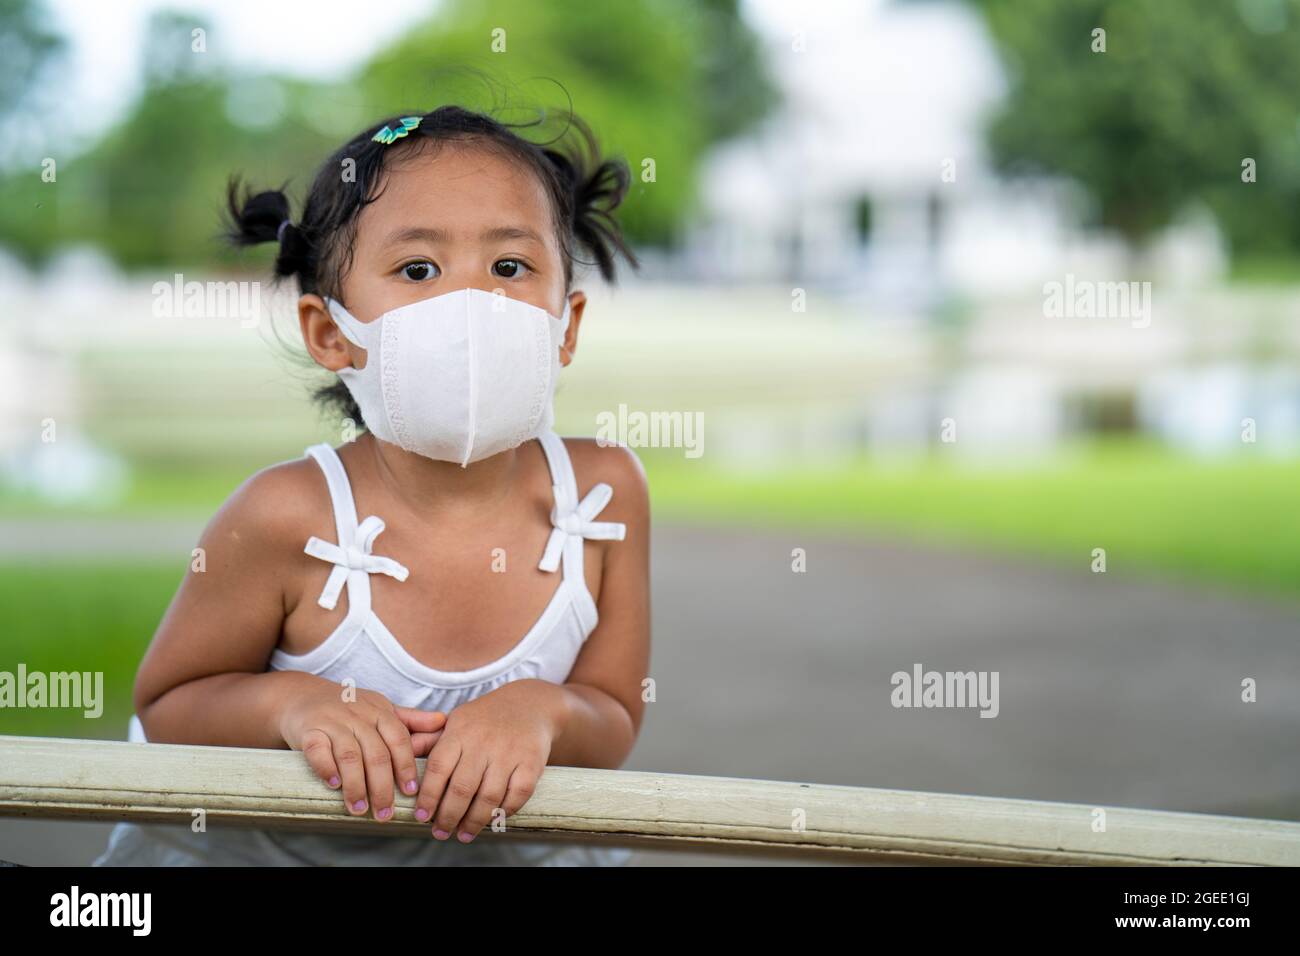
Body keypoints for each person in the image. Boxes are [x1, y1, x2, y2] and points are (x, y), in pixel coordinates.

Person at [94, 104, 650, 866]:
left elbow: (613, 716)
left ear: (567, 323)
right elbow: (167, 707)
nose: (472, 305)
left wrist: (543, 711)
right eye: (418, 270)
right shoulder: (284, 514)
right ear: (330, 333)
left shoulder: (606, 491)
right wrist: (292, 705)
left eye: (510, 267)